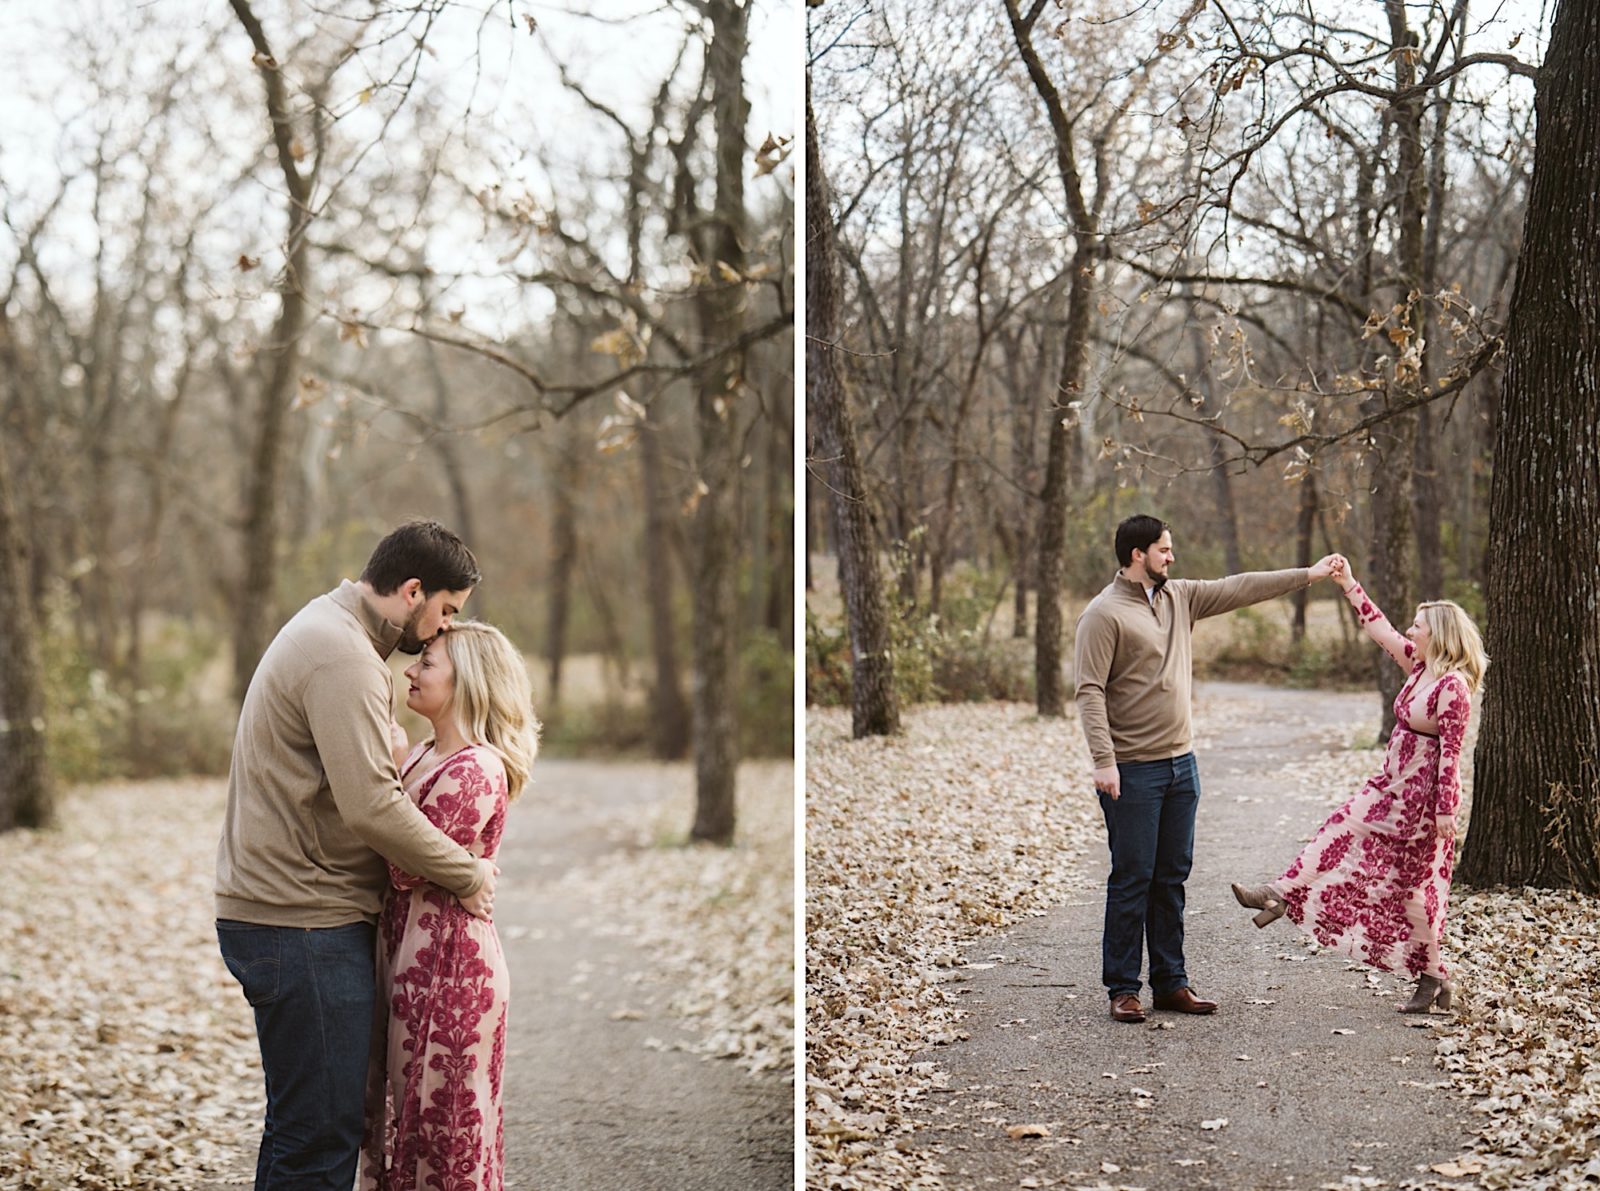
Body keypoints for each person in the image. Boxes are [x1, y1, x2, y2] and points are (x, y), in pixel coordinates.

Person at [215, 520, 497, 1190]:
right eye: (446, 611)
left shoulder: (331, 633)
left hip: (293, 915)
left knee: (303, 1127)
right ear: (412, 590)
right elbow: (372, 806)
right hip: (302, 921)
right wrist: (466, 873)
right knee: (319, 1136)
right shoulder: (341, 654)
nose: (440, 631)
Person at [1073, 514, 1342, 1023]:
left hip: (1181, 767)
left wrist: (1308, 574)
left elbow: (1239, 587)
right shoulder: (1102, 615)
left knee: (1172, 877)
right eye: (1164, 550)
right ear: (1137, 554)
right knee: (1133, 878)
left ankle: (1171, 983)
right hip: (1132, 770)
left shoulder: (1181, 597)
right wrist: (1104, 762)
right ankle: (1123, 988)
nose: (1171, 557)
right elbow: (1089, 691)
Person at [1230, 554, 1486, 1014]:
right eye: (1412, 626)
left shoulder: (1452, 687)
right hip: (1387, 790)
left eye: (1418, 627)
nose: (1410, 633)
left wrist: (1447, 810)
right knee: (1336, 832)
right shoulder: (1418, 667)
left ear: (1439, 635)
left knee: (1415, 893)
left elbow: (1451, 753)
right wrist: (1348, 583)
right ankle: (1280, 893)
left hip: (1422, 808)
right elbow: (1379, 628)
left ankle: (1433, 979)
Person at [359, 621, 538, 1190]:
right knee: (407, 1128)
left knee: (444, 1142)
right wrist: (391, 766)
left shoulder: (476, 769)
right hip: (412, 962)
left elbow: (406, 864)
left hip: (452, 973)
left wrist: (385, 775)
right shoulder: (423, 756)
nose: (409, 670)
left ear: (467, 682)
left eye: (427, 663)